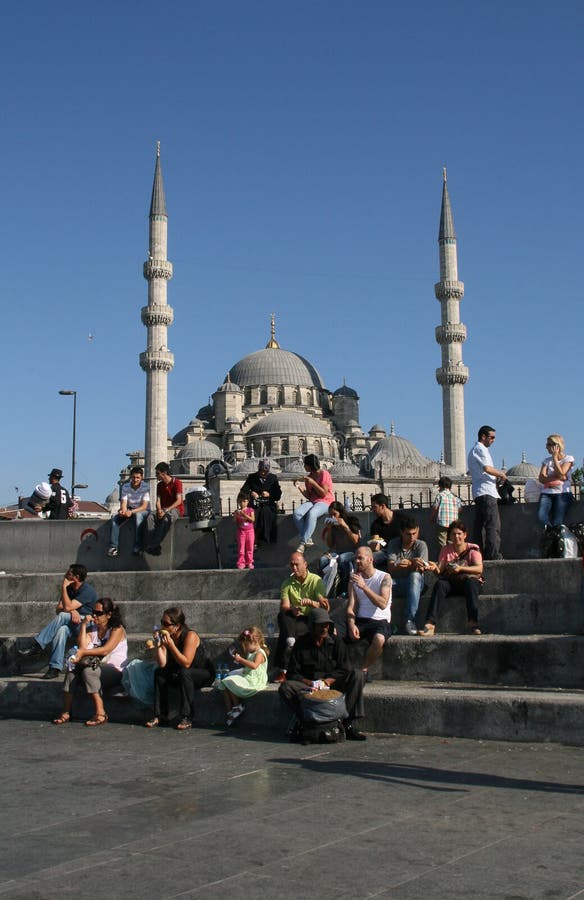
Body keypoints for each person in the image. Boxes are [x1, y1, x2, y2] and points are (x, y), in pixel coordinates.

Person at [278, 607, 367, 741]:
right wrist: (310, 683)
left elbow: (345, 668)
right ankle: (308, 721)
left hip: (332, 684)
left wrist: (327, 682)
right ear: (311, 626)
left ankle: (344, 722)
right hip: (309, 686)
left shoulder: (336, 642)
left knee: (358, 675)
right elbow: (292, 673)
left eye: (326, 625)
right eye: (320, 625)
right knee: (285, 688)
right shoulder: (301, 643)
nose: (324, 628)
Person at [53, 598, 127, 726]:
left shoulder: (117, 629)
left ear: (109, 615)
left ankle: (101, 713)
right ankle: (66, 711)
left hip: (114, 669)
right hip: (94, 665)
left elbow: (105, 650)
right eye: (93, 612)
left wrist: (82, 653)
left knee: (89, 672)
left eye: (99, 613)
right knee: (72, 669)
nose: (94, 616)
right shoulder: (93, 628)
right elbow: (82, 646)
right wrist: (83, 626)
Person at [17, 564, 97, 679]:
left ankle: (38, 645)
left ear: (76, 577)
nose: (65, 576)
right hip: (72, 623)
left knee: (64, 615)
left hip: (86, 626)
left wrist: (69, 607)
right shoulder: (69, 589)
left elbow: (66, 609)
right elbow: (58, 609)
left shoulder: (87, 591)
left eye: (68, 574)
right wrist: (72, 609)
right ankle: (55, 668)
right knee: (61, 630)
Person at [146, 606, 214, 730]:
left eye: (166, 624)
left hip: (202, 673)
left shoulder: (190, 635)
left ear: (176, 626)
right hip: (181, 672)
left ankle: (187, 716)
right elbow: (162, 664)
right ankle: (161, 714)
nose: (163, 627)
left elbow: (187, 663)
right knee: (159, 673)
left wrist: (171, 646)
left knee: (184, 672)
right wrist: (159, 646)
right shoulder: (167, 636)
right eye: (162, 622)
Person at [418, 520, 483, 636]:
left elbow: (479, 569)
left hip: (469, 583)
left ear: (465, 535)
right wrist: (433, 568)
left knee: (471, 582)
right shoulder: (446, 549)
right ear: (450, 536)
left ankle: (473, 623)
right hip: (453, 582)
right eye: (453, 534)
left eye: (459, 533)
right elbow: (440, 570)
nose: (456, 536)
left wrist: (461, 569)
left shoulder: (472, 549)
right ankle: (430, 624)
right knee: (440, 584)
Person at [273, 552, 329, 683]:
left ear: (305, 564)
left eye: (297, 565)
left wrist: (311, 602)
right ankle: (291, 639)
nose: (294, 568)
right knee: (283, 614)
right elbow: (284, 606)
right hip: (294, 619)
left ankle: (283, 670)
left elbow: (325, 607)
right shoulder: (287, 583)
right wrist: (292, 609)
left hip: (311, 619)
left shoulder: (316, 580)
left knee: (285, 634)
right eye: (291, 565)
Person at [345, 546, 392, 679]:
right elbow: (351, 606)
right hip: (361, 620)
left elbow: (383, 604)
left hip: (380, 620)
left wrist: (364, 587)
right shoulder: (354, 579)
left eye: (360, 558)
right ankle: (341, 670)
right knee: (333, 633)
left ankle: (363, 670)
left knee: (379, 639)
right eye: (356, 558)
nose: (357, 561)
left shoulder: (384, 577)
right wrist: (351, 624)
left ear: (370, 559)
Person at [385, 516, 429, 635]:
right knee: (384, 582)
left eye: (414, 533)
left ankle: (410, 619)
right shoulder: (394, 544)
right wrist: (405, 564)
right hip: (397, 583)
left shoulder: (421, 545)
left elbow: (422, 568)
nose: (412, 537)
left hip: (416, 585)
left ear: (418, 530)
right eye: (408, 534)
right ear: (401, 532)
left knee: (414, 576)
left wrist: (411, 564)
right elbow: (390, 567)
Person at [467, 425, 506, 560]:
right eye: (492, 437)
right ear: (483, 436)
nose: (493, 440)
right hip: (486, 492)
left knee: (481, 526)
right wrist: (501, 474)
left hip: (480, 492)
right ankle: (493, 555)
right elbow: (487, 468)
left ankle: (479, 555)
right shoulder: (480, 449)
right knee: (492, 525)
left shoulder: (475, 450)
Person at [216, 626, 269, 726]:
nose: (246, 648)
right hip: (248, 675)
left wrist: (240, 660)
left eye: (247, 645)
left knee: (230, 681)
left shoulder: (260, 654)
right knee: (224, 682)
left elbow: (254, 666)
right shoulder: (252, 652)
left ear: (255, 641)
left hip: (255, 680)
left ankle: (237, 706)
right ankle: (229, 710)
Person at [292, 454, 335, 552]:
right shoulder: (309, 477)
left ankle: (303, 542)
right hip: (313, 501)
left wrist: (313, 483)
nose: (304, 467)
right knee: (297, 513)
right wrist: (298, 486)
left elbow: (323, 493)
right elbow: (309, 496)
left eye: (305, 465)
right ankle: (308, 538)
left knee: (312, 513)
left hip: (326, 501)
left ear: (311, 465)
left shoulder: (324, 474)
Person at [319, 501, 361, 597]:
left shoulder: (352, 521)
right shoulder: (333, 526)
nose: (333, 518)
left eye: (335, 514)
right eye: (330, 515)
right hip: (337, 552)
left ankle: (343, 588)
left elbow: (356, 541)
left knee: (342, 558)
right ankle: (327, 588)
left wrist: (345, 526)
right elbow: (330, 544)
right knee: (323, 560)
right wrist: (329, 529)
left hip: (352, 552)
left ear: (341, 513)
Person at [107, 466, 150, 557]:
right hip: (129, 509)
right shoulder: (125, 486)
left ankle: (138, 546)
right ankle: (113, 547)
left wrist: (131, 512)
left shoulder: (145, 486)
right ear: (130, 477)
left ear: (141, 477)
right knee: (115, 518)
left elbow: (144, 506)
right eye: (134, 477)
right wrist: (123, 511)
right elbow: (124, 503)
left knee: (138, 516)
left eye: (138, 478)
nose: (135, 480)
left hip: (142, 511)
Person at [145, 462, 184, 556]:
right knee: (150, 516)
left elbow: (179, 501)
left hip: (176, 509)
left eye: (157, 473)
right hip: (163, 509)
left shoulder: (177, 483)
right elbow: (158, 500)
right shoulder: (160, 485)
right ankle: (153, 544)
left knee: (167, 519)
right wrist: (159, 510)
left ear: (164, 473)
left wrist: (166, 510)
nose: (156, 476)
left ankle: (154, 545)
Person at [242, 458, 282, 545]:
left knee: (266, 513)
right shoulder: (252, 477)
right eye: (262, 471)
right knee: (254, 514)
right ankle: (253, 539)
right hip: (255, 504)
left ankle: (265, 539)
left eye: (265, 471)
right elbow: (244, 490)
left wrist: (269, 494)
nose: (263, 473)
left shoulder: (273, 478)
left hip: (268, 504)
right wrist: (251, 493)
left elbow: (278, 495)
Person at [537, 434, 574, 528]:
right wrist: (558, 478)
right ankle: (552, 533)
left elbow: (561, 473)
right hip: (547, 493)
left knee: (558, 521)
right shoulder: (546, 461)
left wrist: (554, 458)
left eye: (549, 445)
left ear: (557, 446)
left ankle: (556, 537)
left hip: (562, 493)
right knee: (541, 516)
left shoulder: (568, 459)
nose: (546, 447)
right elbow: (541, 478)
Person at [368, 494, 402, 568]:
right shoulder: (376, 524)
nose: (373, 510)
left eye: (375, 507)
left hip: (400, 551)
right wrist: (374, 544)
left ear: (383, 506)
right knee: (367, 559)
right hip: (385, 551)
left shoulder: (401, 519)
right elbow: (377, 546)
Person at [430, 476, 462, 547]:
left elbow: (435, 508)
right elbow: (460, 509)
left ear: (440, 486)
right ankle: (451, 554)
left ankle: (444, 553)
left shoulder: (440, 495)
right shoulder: (455, 497)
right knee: (451, 540)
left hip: (442, 522)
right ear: (450, 487)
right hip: (453, 523)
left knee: (442, 540)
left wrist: (432, 518)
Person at [233, 491, 255, 569]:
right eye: (241, 501)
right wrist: (236, 515)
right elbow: (234, 521)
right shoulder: (238, 511)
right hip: (241, 531)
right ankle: (241, 562)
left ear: (248, 501)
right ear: (238, 502)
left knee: (250, 548)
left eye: (245, 501)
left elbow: (252, 519)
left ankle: (249, 562)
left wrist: (244, 514)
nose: (243, 503)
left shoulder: (250, 510)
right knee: (241, 548)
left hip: (250, 531)